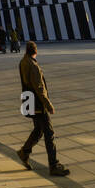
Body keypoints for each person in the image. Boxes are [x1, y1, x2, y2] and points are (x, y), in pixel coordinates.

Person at [17, 40, 69, 176]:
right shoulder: (33, 65)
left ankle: (24, 152)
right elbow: (39, 88)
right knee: (49, 133)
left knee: (38, 130)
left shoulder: (23, 62)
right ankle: (54, 165)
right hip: (38, 103)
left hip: (30, 101)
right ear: (36, 51)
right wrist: (48, 104)